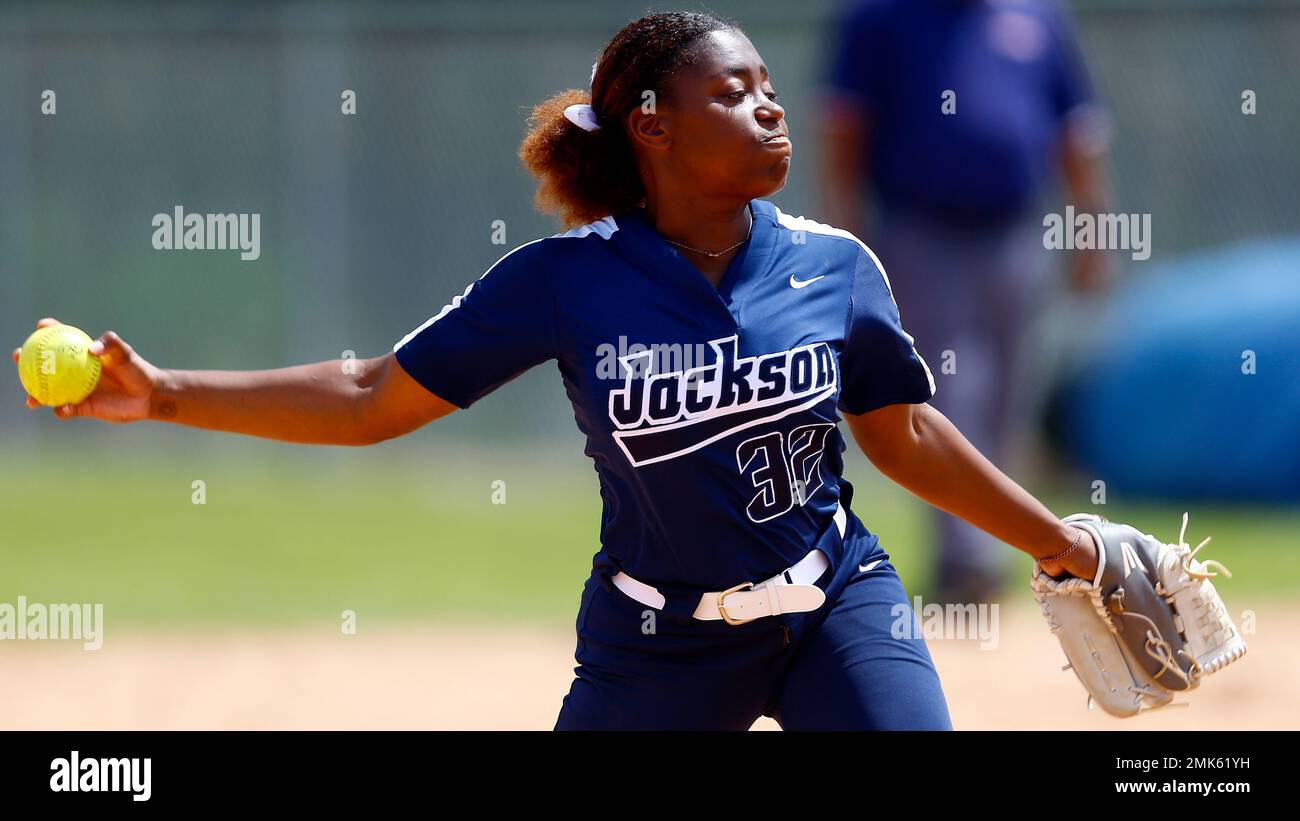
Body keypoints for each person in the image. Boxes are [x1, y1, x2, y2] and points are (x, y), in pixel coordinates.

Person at [13, 11, 1099, 731]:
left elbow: (903, 432)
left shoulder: (835, 266)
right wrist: (162, 393)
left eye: (768, 86)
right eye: (731, 92)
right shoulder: (566, 280)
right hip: (653, 641)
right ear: (652, 127)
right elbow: (367, 397)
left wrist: (1064, 544)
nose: (769, 106)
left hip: (835, 605)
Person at [819, 0, 1114, 604]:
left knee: (1009, 393)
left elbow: (1076, 130)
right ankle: (966, 563)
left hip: (1014, 232)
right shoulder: (881, 16)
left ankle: (993, 552)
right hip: (918, 232)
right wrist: (845, 236)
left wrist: (1093, 231)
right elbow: (847, 124)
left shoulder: (1033, 16)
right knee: (946, 392)